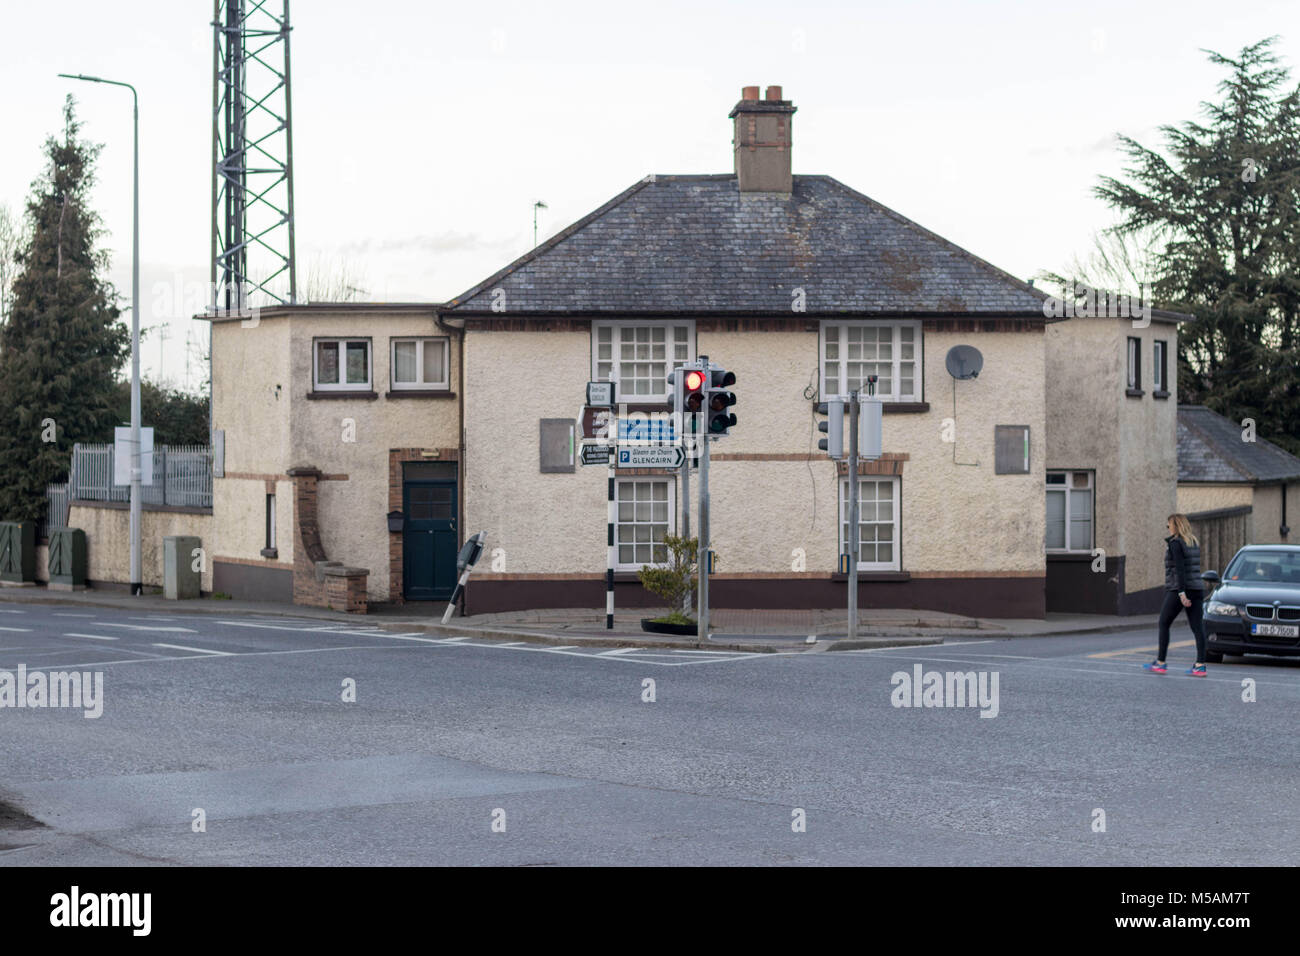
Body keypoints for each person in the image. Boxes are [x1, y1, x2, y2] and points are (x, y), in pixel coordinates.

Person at [1144, 514, 1208, 677]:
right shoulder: (1193, 541)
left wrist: (1181, 593)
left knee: (1164, 622)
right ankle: (1200, 665)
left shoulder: (1175, 543)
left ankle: (1161, 662)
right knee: (1197, 627)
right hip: (1197, 588)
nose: (1168, 528)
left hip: (1179, 589)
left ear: (1176, 526)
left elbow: (1180, 569)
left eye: (1169, 525)